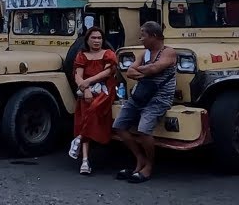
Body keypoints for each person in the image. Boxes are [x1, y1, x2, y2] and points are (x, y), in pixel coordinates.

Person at [112, 21, 176, 183]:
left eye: (143, 35)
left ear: (154, 36)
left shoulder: (168, 52)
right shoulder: (144, 53)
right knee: (119, 126)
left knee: (144, 130)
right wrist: (145, 71)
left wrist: (142, 71)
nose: (141, 39)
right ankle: (139, 158)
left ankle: (149, 165)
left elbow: (153, 69)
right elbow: (130, 72)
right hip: (140, 95)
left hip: (159, 98)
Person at [68, 26, 118, 175]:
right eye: (93, 38)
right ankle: (84, 160)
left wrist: (87, 82)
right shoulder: (82, 55)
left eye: (99, 38)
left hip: (105, 90)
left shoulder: (108, 54)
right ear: (87, 40)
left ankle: (80, 137)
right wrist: (86, 89)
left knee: (93, 108)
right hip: (88, 90)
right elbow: (77, 75)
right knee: (86, 112)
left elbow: (107, 72)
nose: (96, 41)